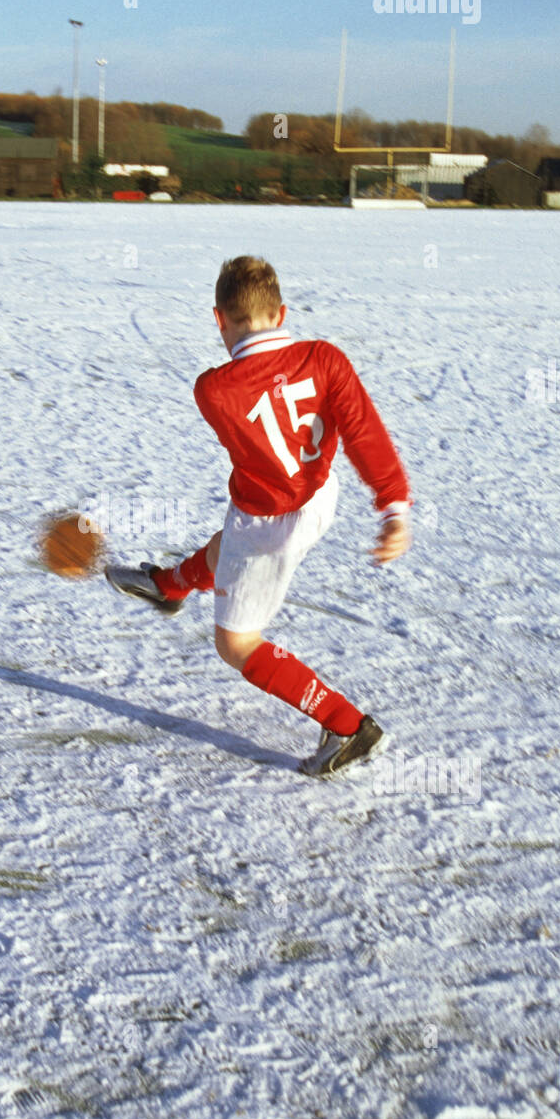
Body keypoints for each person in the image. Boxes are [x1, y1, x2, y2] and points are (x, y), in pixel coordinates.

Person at [106, 256, 411, 776]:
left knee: (236, 643)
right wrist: (394, 504)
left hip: (270, 524)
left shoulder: (213, 389)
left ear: (218, 319)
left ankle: (346, 724)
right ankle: (171, 586)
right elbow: (362, 430)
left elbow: (256, 394)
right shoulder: (326, 358)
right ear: (283, 312)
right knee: (226, 545)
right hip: (319, 496)